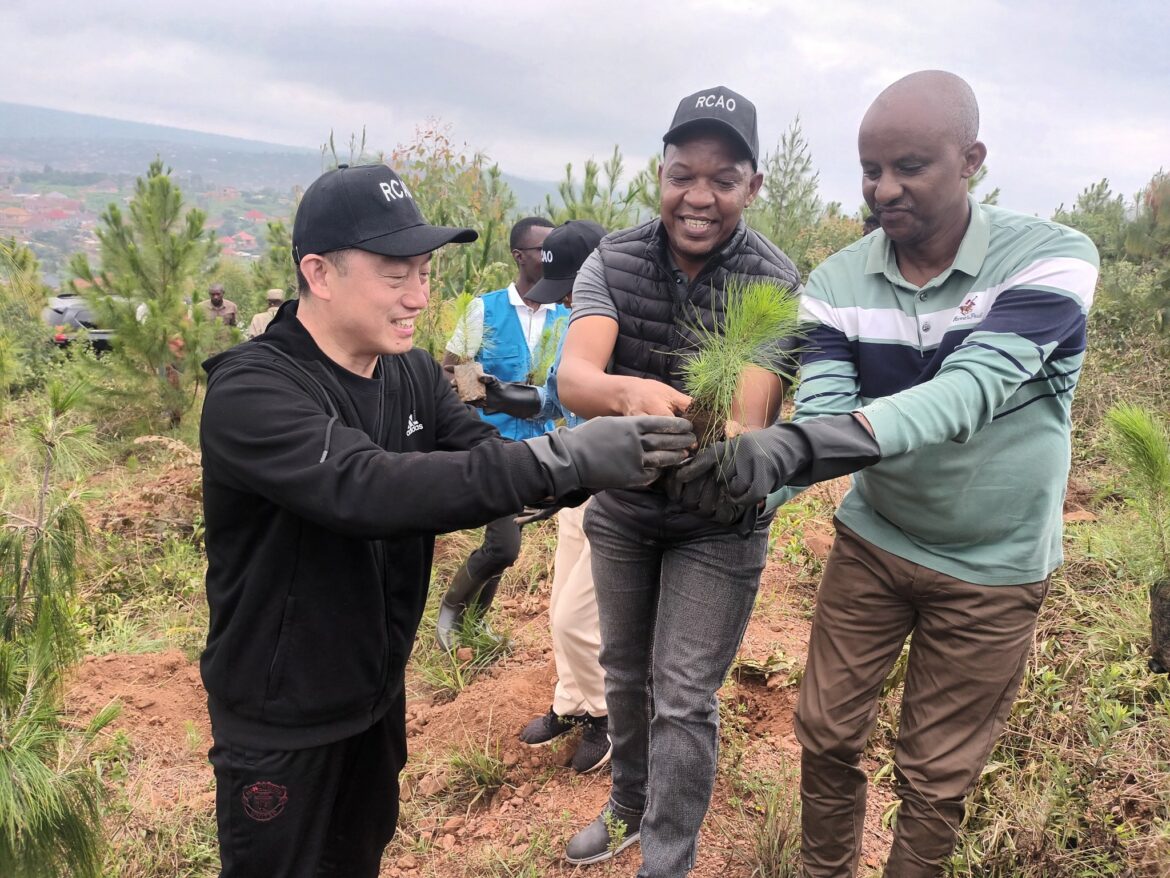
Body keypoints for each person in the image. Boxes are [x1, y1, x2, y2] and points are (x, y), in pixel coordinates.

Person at [198, 162, 696, 878]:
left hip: (374, 696)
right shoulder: (254, 390)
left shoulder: (411, 375)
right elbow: (368, 489)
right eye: (395, 272)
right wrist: (570, 459)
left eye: (425, 270)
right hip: (281, 718)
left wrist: (613, 451)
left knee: (356, 857)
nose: (418, 294)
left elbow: (486, 467)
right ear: (320, 272)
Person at [668, 71, 1100, 877]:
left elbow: (968, 394)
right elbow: (827, 417)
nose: (884, 188)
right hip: (875, 541)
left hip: (993, 567)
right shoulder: (838, 282)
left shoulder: (1050, 258)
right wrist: (746, 477)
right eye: (870, 170)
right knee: (826, 732)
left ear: (970, 158)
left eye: (910, 166)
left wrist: (793, 449)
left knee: (936, 774)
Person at [555, 87, 802, 875]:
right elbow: (576, 377)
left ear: (752, 187)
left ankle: (667, 855)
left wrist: (701, 420)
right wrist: (632, 395)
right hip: (626, 507)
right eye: (681, 173)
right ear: (658, 174)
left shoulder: (774, 284)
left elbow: (752, 424)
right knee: (624, 671)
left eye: (722, 178)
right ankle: (629, 801)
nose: (698, 196)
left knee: (685, 693)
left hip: (718, 521)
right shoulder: (614, 259)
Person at [465, 220, 613, 774]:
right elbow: (556, 398)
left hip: (611, 492)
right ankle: (571, 703)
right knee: (558, 609)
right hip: (575, 488)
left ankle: (607, 717)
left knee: (580, 617)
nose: (568, 301)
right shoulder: (578, 323)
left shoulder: (626, 327)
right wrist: (501, 394)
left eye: (573, 288)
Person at [435, 216, 567, 650]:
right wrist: (475, 394)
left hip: (540, 449)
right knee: (505, 545)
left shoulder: (566, 315)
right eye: (542, 250)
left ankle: (475, 625)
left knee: (505, 541)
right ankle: (449, 617)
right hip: (490, 445)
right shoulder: (484, 309)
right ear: (519, 255)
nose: (550, 258)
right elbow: (447, 369)